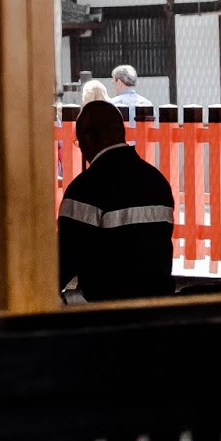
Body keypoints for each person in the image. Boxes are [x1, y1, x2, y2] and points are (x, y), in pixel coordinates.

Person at [58, 100, 175, 302]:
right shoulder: (157, 182)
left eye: (79, 142)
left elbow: (64, 260)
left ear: (89, 137)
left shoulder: (84, 189)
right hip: (158, 307)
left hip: (108, 312)